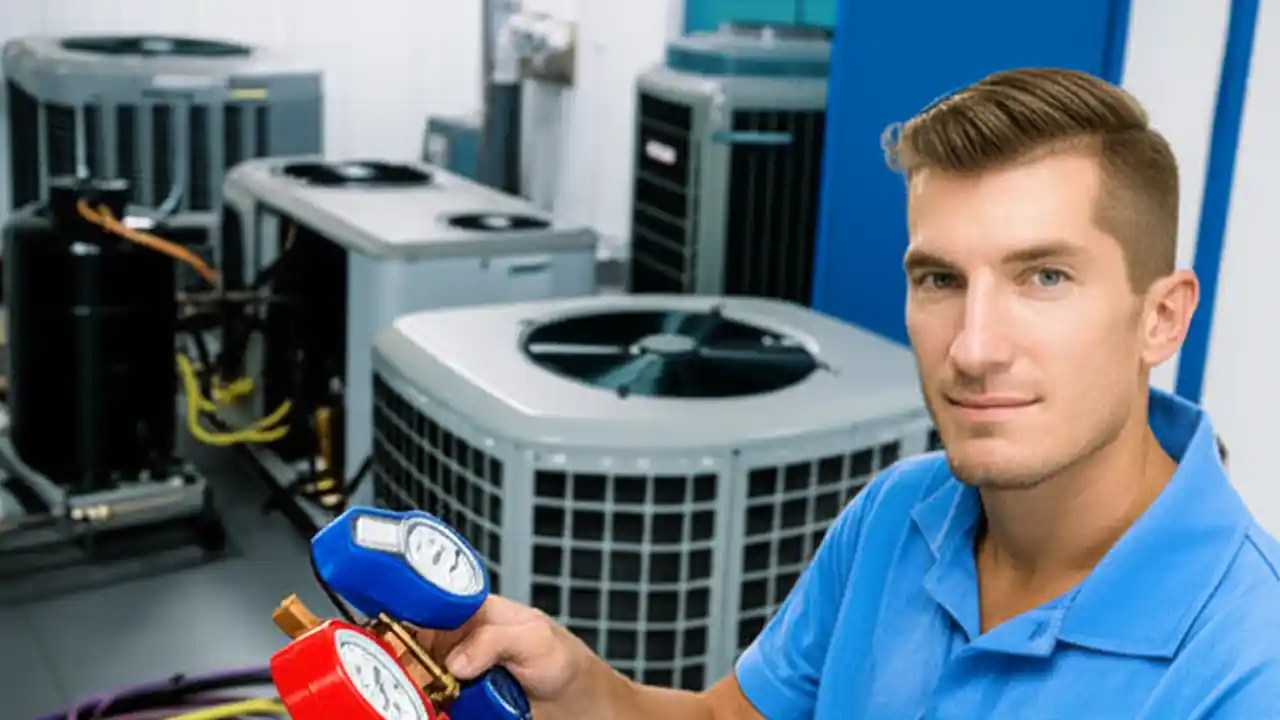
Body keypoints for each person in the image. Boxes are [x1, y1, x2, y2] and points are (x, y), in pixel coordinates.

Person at [415, 68, 1280, 718]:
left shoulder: (1247, 660)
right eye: (940, 280)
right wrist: (582, 687)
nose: (974, 350)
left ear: (1161, 319)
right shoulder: (901, 512)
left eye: (1044, 277)